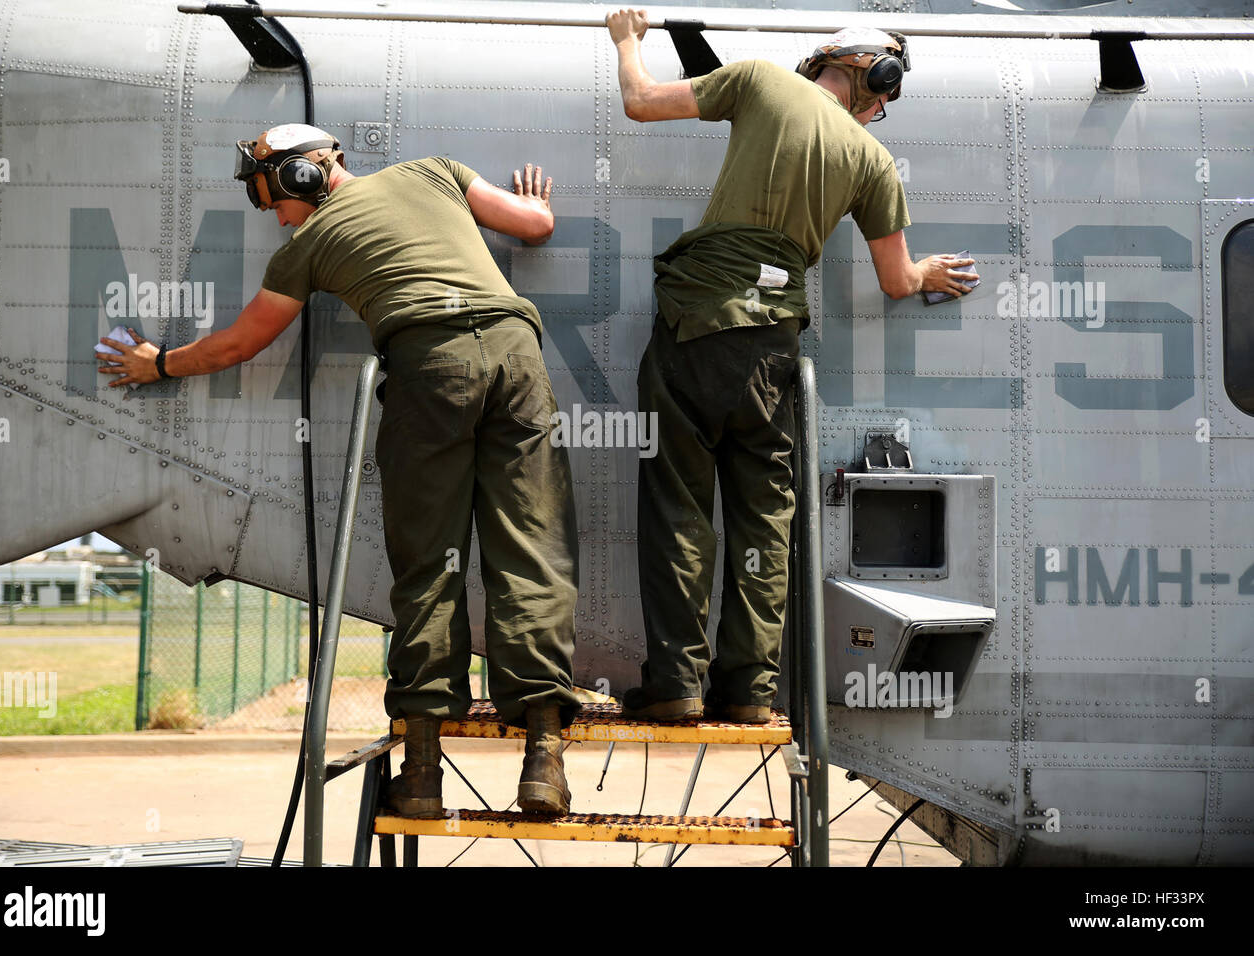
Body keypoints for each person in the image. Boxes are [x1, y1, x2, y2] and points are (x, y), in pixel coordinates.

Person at [94, 124, 580, 816]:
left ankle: (419, 774)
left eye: (269, 196)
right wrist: (535, 204)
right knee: (533, 550)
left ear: (301, 177)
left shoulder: (310, 246)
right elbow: (535, 224)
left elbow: (237, 343)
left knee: (430, 565)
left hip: (429, 368)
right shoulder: (436, 171)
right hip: (517, 358)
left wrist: (159, 363)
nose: (271, 213)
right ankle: (542, 761)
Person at [606, 10, 979, 722]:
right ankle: (749, 690)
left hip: (698, 325)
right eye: (881, 100)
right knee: (763, 517)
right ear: (877, 79)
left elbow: (641, 101)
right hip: (772, 346)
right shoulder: (872, 163)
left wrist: (628, 43)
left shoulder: (760, 82)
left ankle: (677, 686)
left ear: (828, 61)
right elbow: (899, 280)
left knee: (680, 505)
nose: (878, 113)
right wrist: (929, 269)